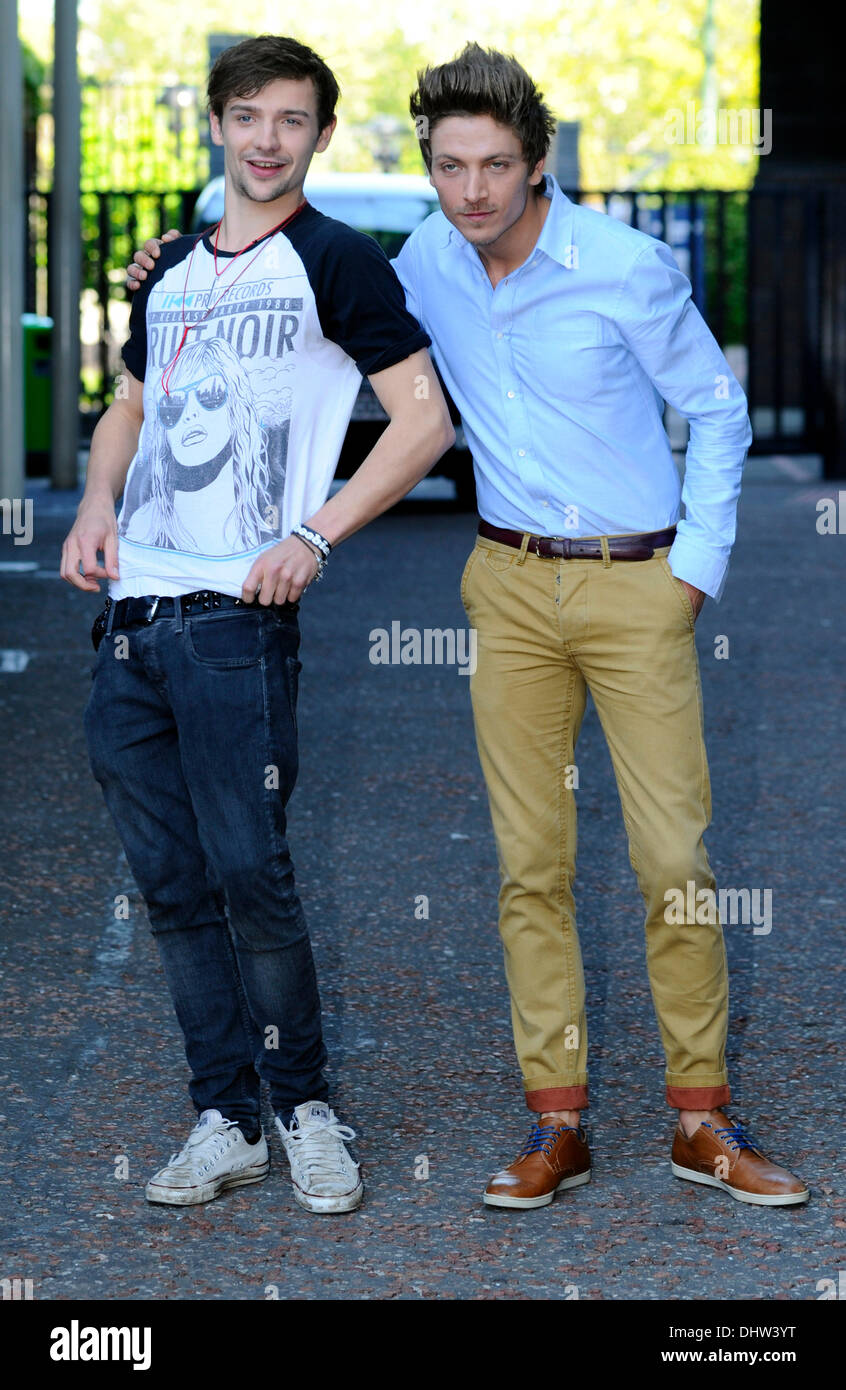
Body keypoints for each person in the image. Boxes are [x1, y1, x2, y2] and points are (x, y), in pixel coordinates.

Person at [126, 43, 809, 1211]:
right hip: (506, 585)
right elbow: (298, 281)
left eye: (497, 164)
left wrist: (693, 568)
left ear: (537, 161)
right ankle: (558, 1125)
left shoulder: (625, 266)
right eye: (451, 166)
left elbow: (715, 406)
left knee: (673, 861)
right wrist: (175, 265)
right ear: (431, 169)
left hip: (637, 582)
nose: (475, 190)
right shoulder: (424, 266)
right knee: (529, 867)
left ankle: (702, 1119)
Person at [64, 34, 454, 1215]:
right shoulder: (172, 266)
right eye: (249, 115)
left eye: (292, 119)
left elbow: (424, 419)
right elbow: (132, 404)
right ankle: (224, 1117)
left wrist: (318, 534)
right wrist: (92, 503)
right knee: (172, 884)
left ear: (321, 135)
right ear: (221, 126)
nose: (268, 138)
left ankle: (304, 1105)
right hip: (132, 624)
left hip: (238, 618)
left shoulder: (335, 261)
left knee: (253, 874)